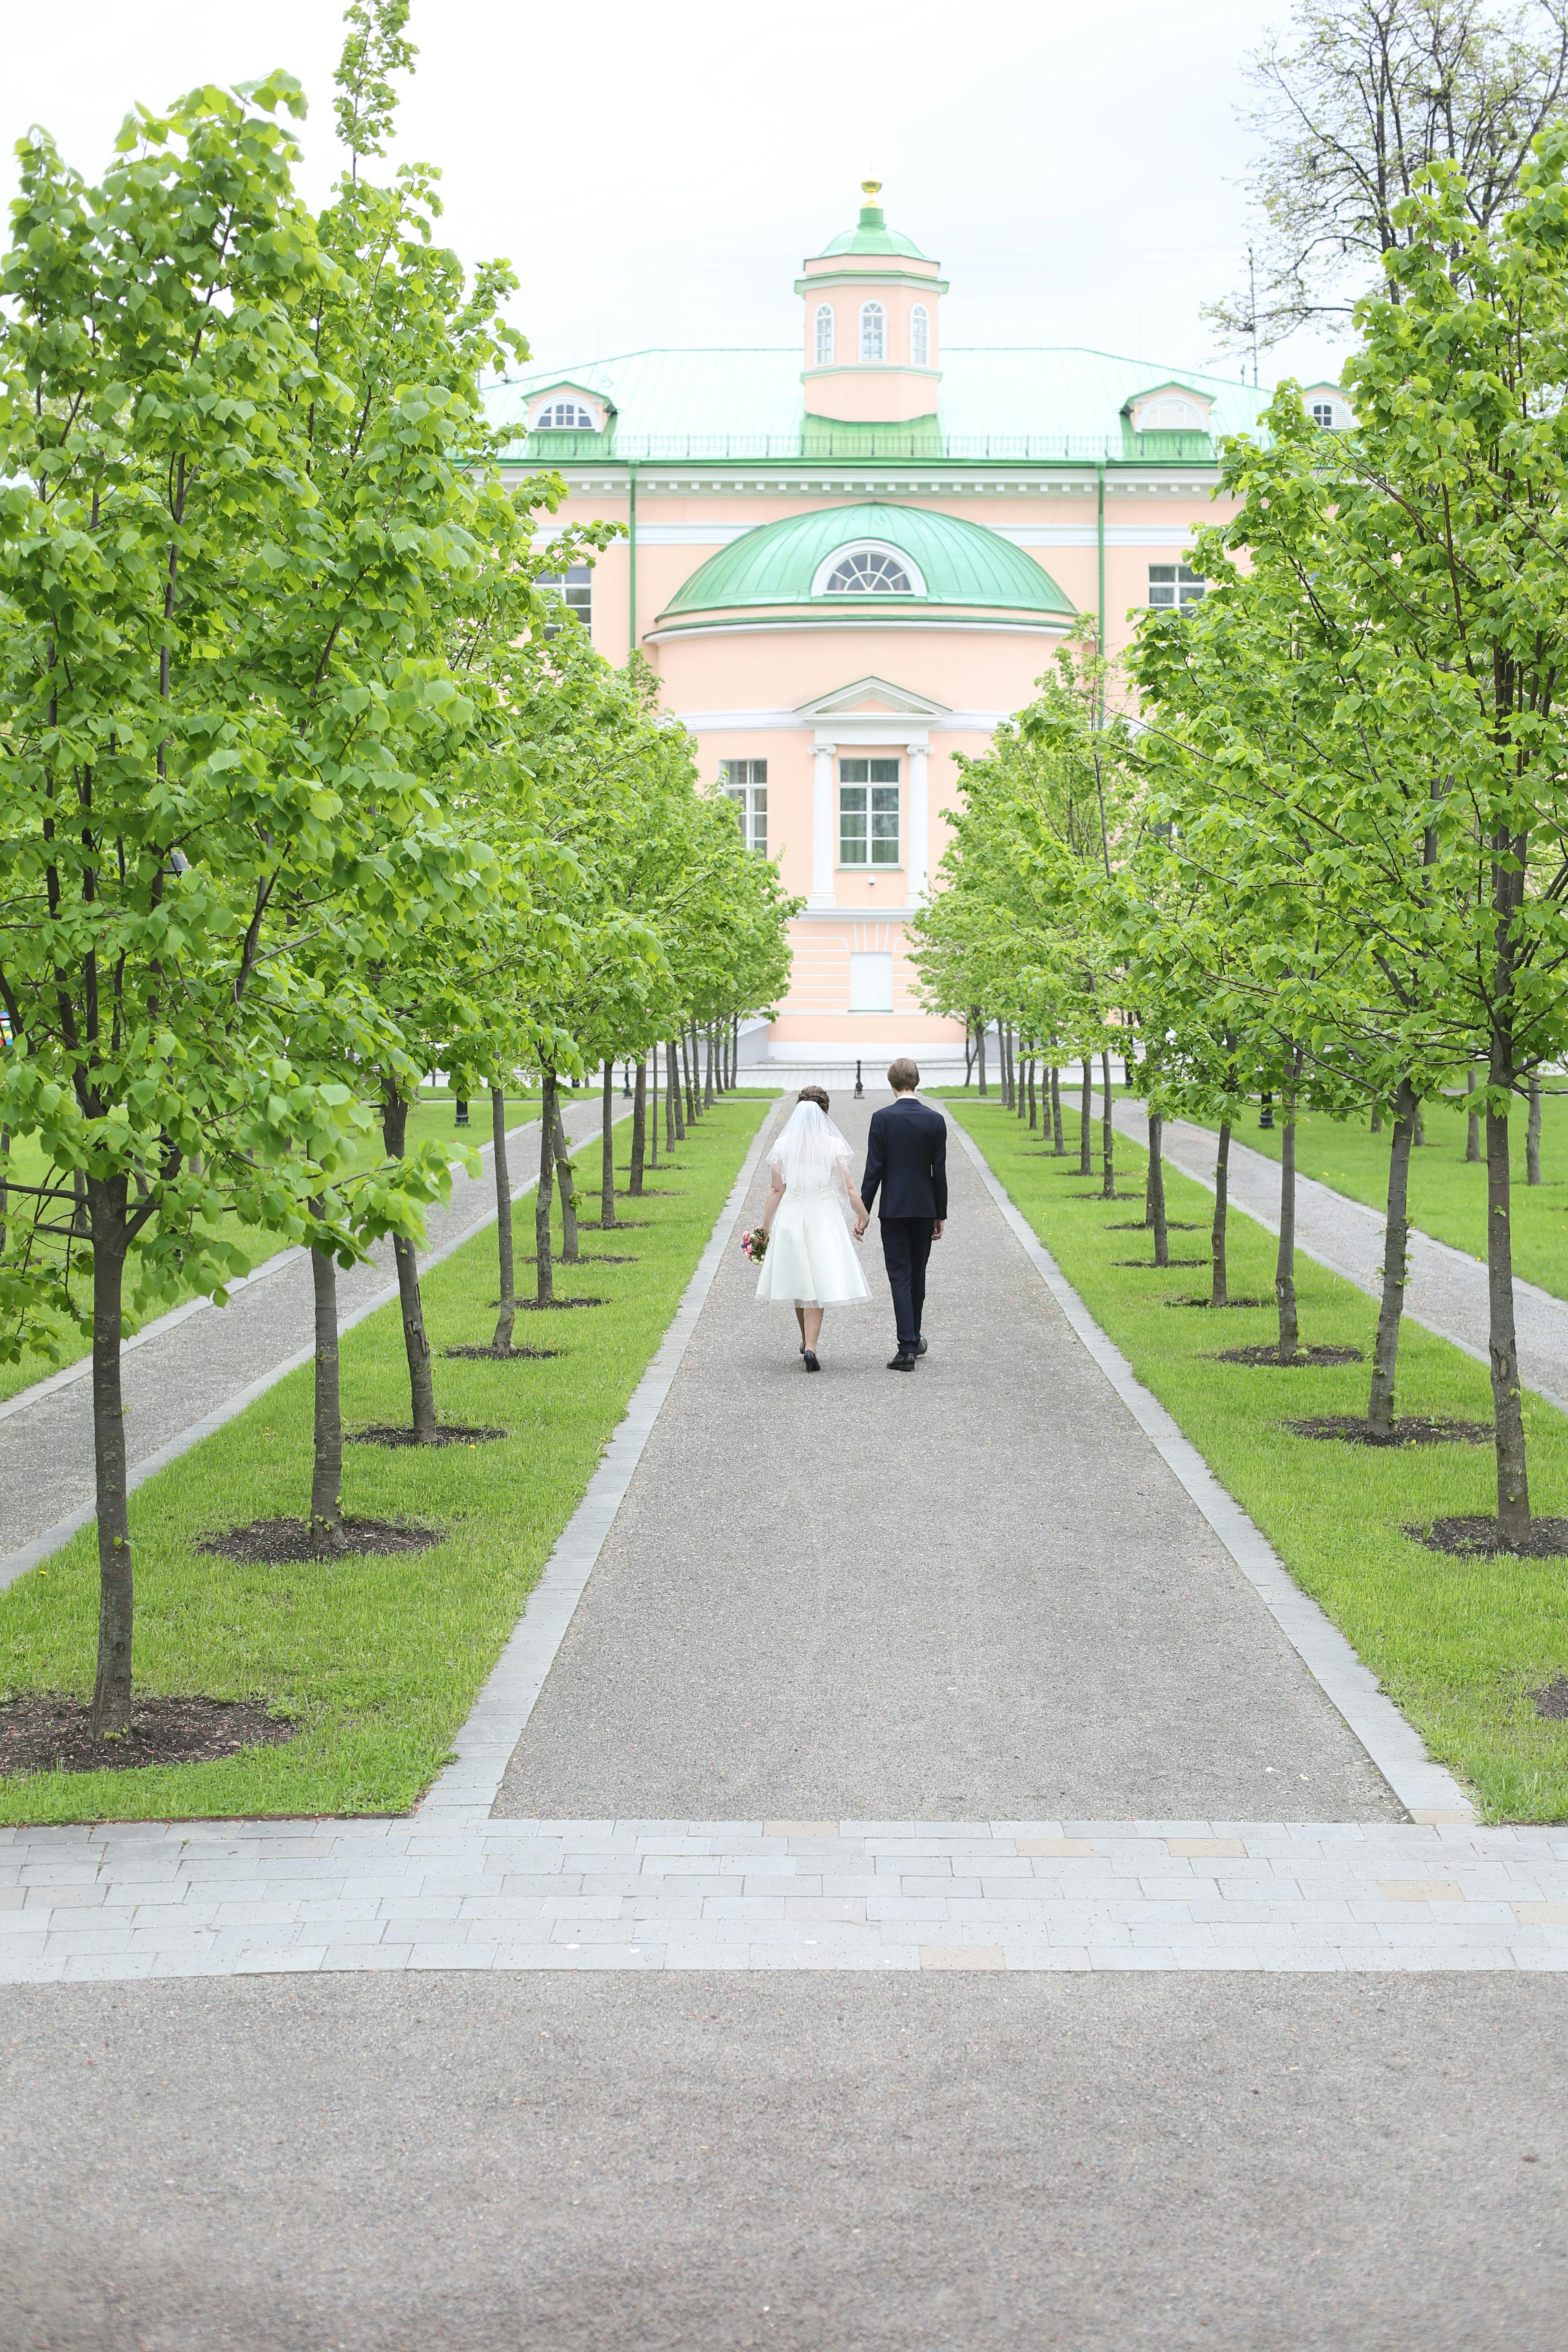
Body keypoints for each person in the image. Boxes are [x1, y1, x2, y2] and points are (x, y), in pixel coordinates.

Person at [753, 1087, 871, 1370]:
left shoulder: (783, 1145)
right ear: (825, 1113)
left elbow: (776, 1188)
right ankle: (811, 1347)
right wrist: (863, 1216)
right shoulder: (833, 1146)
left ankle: (807, 1339)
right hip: (823, 1217)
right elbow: (849, 1188)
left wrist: (764, 1227)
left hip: (792, 1217)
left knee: (800, 1280)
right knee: (817, 1284)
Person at [854, 1057, 947, 1370]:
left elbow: (874, 1170)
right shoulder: (935, 1120)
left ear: (891, 1083)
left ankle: (907, 1347)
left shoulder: (882, 1119)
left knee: (900, 1275)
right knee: (918, 1273)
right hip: (925, 1209)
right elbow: (940, 1172)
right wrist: (940, 1213)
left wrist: (863, 1211)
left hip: (893, 1209)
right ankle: (914, 1338)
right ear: (916, 1081)